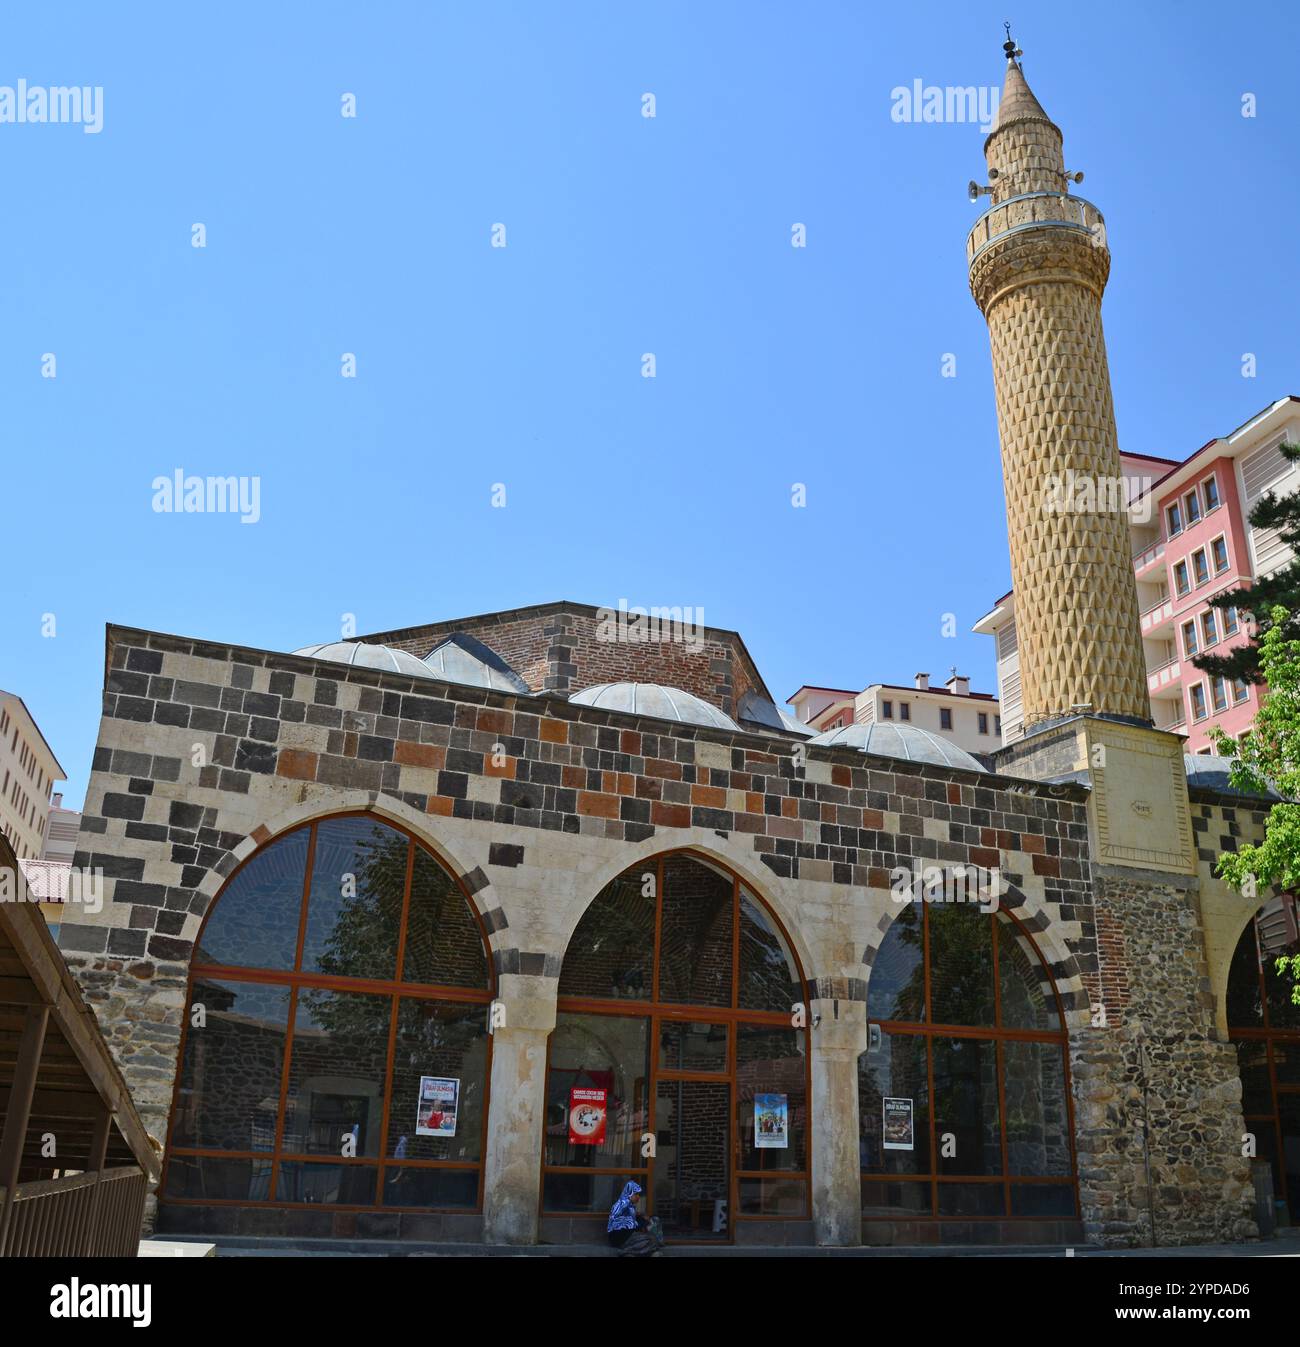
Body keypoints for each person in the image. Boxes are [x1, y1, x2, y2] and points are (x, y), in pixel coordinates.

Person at [606, 1181, 662, 1257]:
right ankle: (626, 1252)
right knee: (652, 1240)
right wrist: (645, 1222)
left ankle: (632, 1252)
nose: (638, 1197)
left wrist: (640, 1216)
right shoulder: (624, 1205)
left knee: (651, 1238)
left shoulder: (625, 1204)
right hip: (622, 1238)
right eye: (635, 1194)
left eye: (638, 1194)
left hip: (624, 1237)